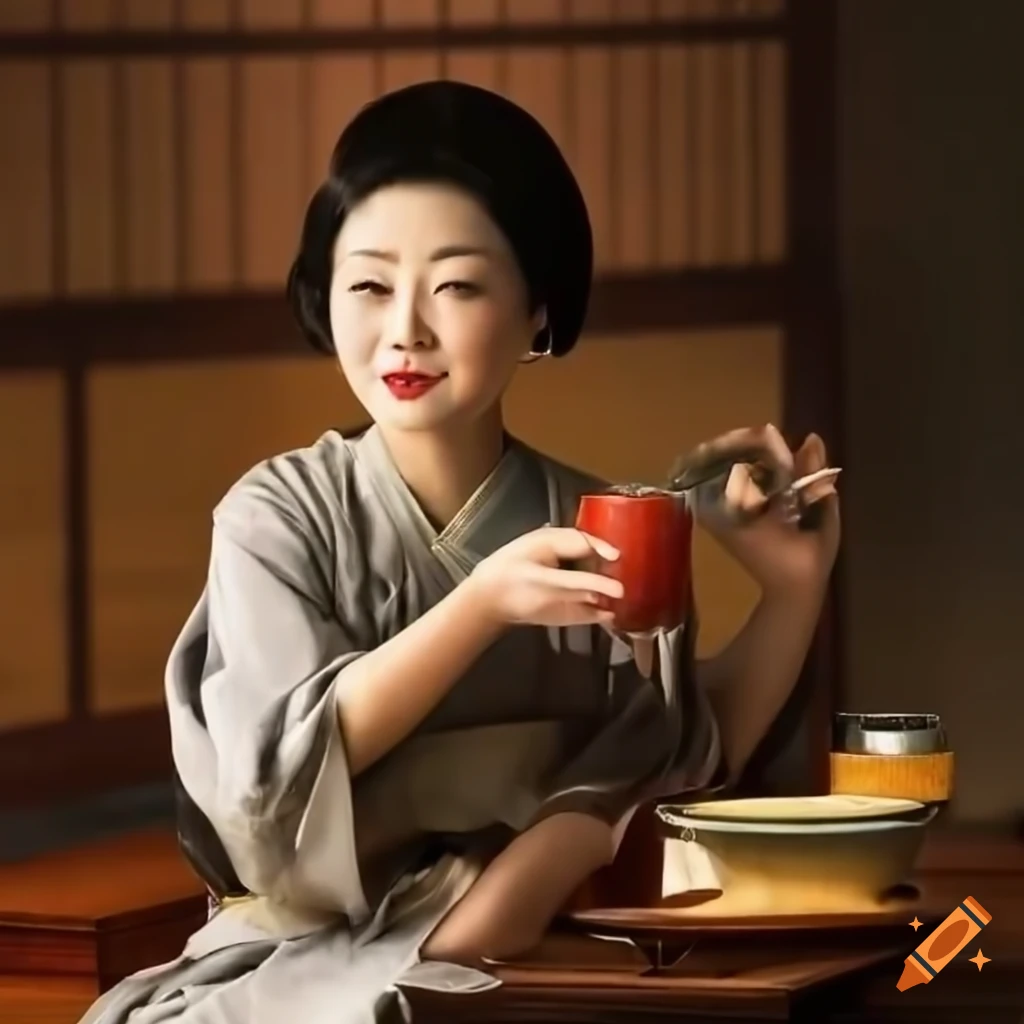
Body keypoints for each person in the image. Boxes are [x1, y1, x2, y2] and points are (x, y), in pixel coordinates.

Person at [79, 80, 840, 1024]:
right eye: (368, 283)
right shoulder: (274, 515)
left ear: (538, 313)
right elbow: (270, 786)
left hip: (545, 949)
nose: (406, 328)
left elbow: (676, 754)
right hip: (305, 958)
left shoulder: (595, 519)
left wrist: (792, 593)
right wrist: (477, 607)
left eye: (457, 284)